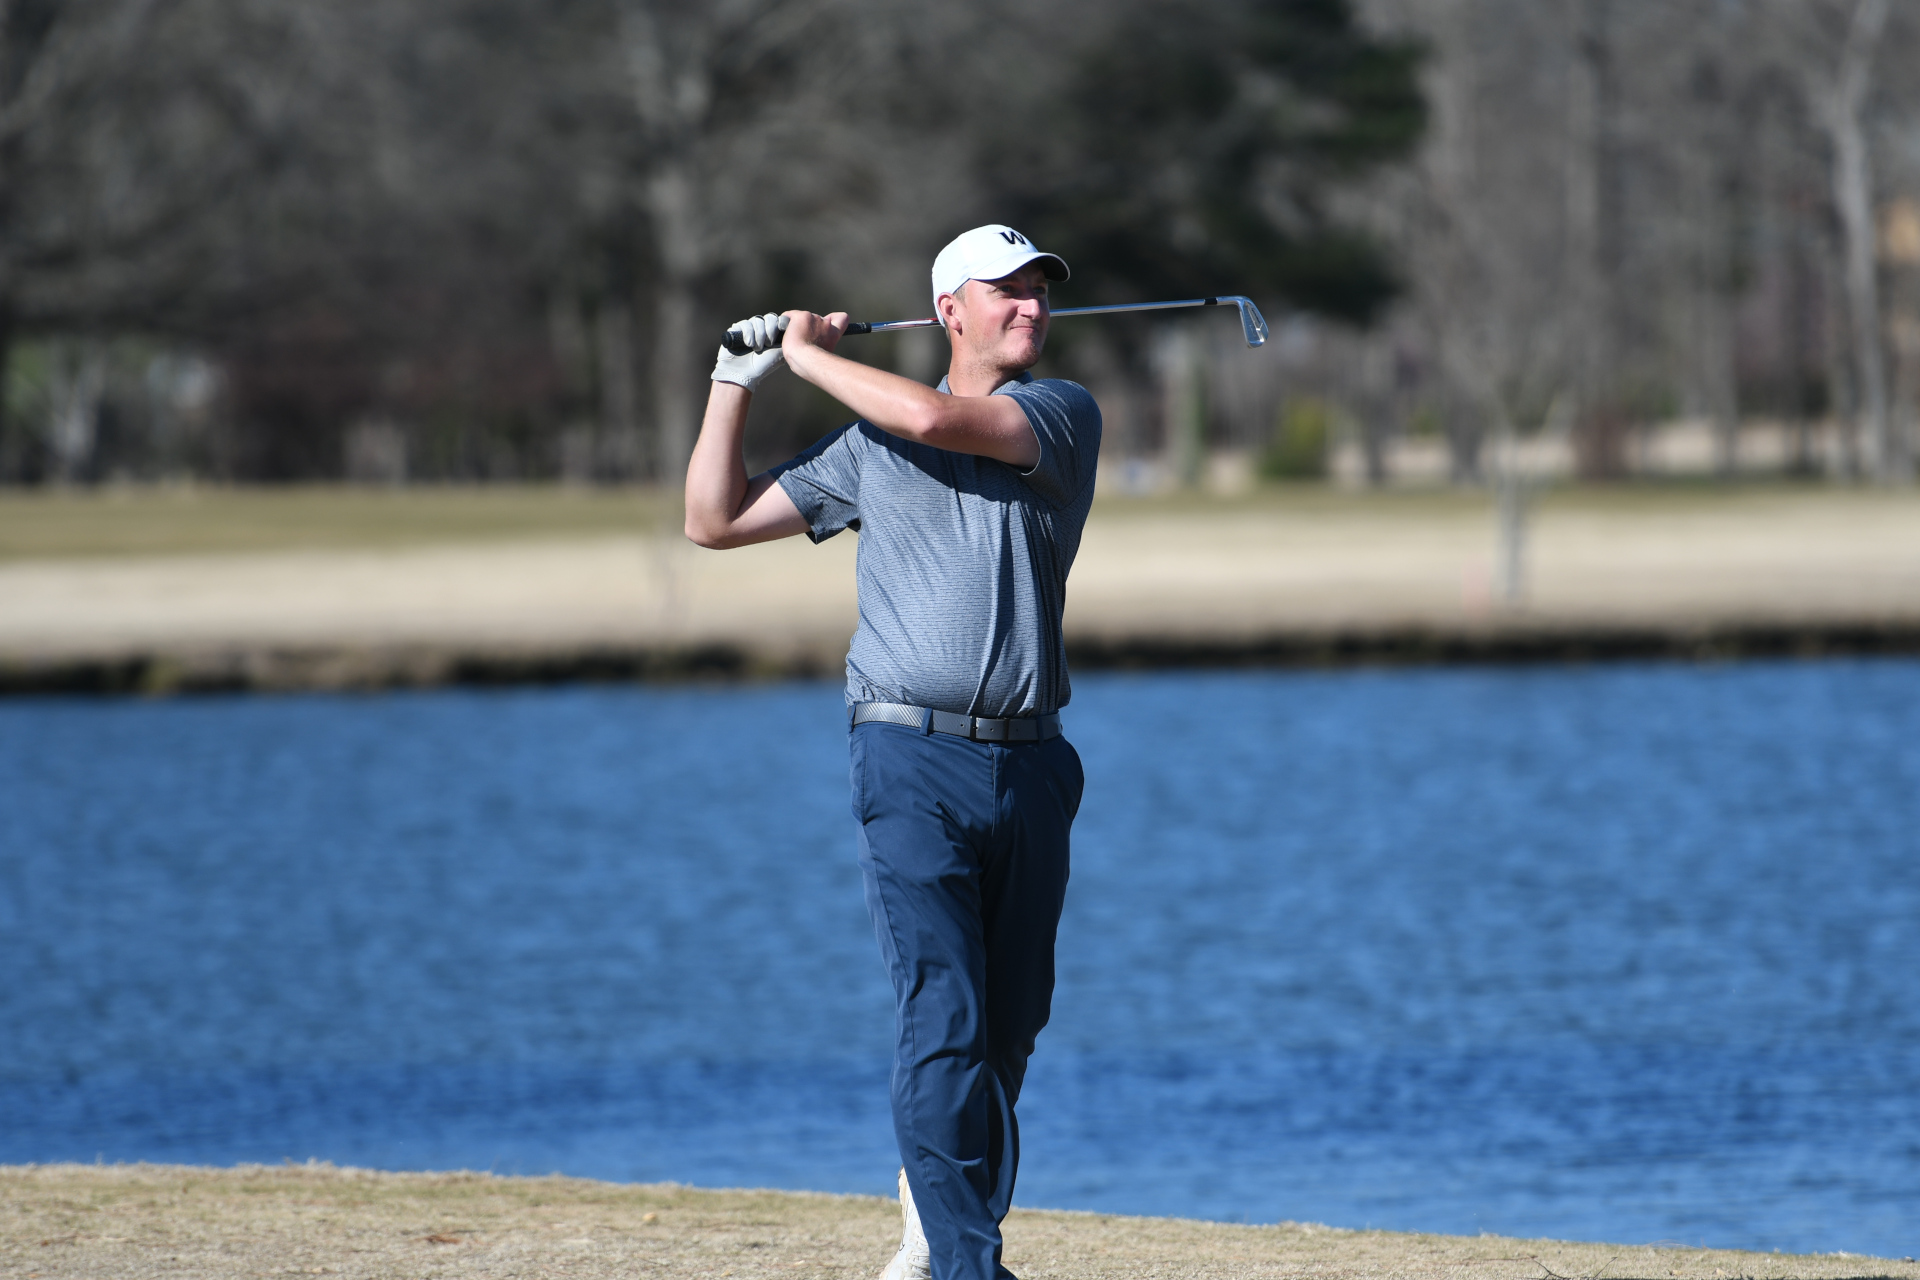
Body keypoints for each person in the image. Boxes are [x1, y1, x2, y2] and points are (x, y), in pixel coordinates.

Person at [683, 225, 1102, 1280]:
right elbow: (712, 520)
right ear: (948, 311)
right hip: (909, 759)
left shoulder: (1059, 414)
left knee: (1009, 1030)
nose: (1032, 306)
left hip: (1033, 762)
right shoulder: (868, 449)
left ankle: (933, 1205)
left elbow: (929, 416)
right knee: (945, 1009)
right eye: (1006, 291)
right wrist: (735, 378)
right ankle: (964, 1262)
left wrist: (805, 354)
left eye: (1039, 290)